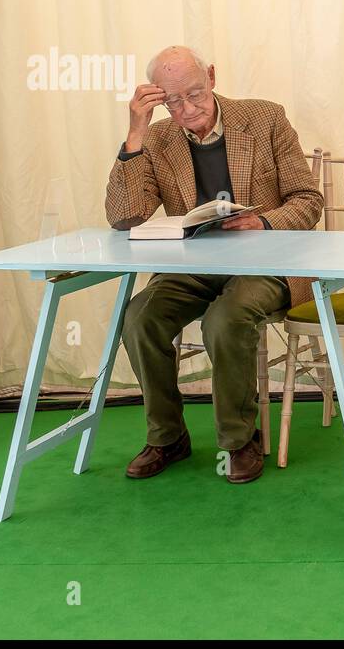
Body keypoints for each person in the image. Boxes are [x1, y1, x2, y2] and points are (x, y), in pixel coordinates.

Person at [105, 45, 323, 485]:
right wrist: (135, 134)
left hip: (268, 263)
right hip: (194, 267)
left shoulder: (265, 119)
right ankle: (167, 438)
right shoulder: (158, 138)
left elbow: (308, 200)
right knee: (138, 318)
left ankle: (239, 440)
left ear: (213, 76)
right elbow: (124, 216)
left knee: (226, 319)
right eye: (172, 101)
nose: (186, 109)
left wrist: (262, 220)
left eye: (195, 94)